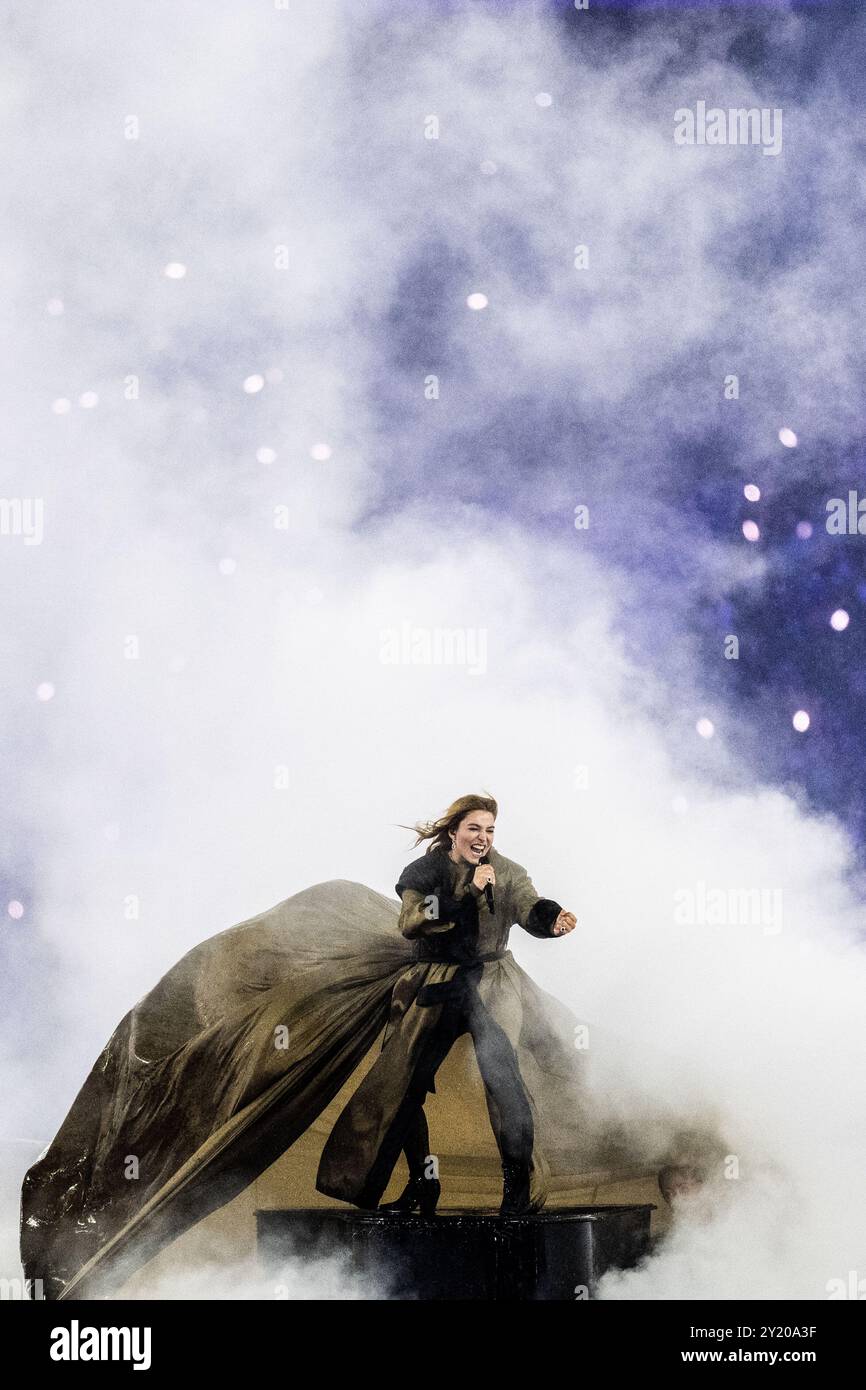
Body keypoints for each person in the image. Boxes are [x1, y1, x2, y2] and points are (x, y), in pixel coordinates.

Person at [315, 794, 577, 1216]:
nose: (483, 838)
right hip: (436, 979)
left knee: (503, 1079)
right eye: (474, 828)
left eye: (490, 830)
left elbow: (528, 905)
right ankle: (423, 1182)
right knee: (402, 1085)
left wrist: (552, 918)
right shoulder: (424, 872)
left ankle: (516, 1190)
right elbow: (412, 921)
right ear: (454, 831)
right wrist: (466, 893)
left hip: (492, 982)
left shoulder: (507, 872)